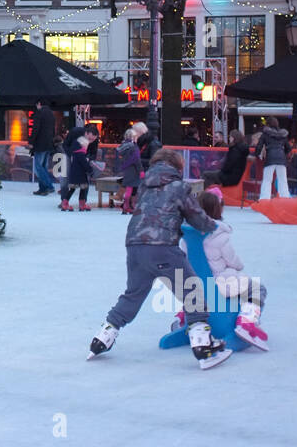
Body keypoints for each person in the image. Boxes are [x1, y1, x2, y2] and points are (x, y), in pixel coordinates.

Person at [87, 149, 231, 369]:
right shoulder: (179, 187)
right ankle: (203, 345)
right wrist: (214, 226)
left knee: (133, 294)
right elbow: (196, 217)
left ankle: (103, 336)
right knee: (193, 291)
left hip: (134, 245)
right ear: (177, 167)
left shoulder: (145, 186)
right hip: (162, 247)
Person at [191, 189, 268, 350]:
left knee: (189, 292)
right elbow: (234, 262)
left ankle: (182, 319)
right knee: (257, 288)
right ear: (218, 210)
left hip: (195, 284)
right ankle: (247, 322)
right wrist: (238, 266)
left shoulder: (187, 234)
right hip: (219, 283)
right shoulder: (220, 235)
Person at [58, 124, 99, 212]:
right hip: (70, 155)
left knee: (85, 181)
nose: (91, 141)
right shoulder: (75, 132)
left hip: (82, 157)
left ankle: (83, 202)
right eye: (89, 139)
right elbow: (65, 145)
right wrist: (72, 155)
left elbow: (93, 153)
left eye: (93, 140)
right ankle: (64, 201)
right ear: (86, 133)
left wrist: (88, 158)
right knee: (66, 179)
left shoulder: (94, 140)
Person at [255, 117, 291, 199]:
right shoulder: (283, 135)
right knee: (283, 180)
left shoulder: (265, 134)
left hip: (270, 158)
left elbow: (259, 147)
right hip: (281, 159)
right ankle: (285, 199)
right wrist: (283, 155)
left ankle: (264, 199)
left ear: (267, 124)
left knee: (267, 180)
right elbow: (288, 148)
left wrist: (257, 156)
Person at [29, 98, 57, 196]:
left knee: (38, 167)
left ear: (39, 104)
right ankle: (43, 189)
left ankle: (49, 186)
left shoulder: (39, 113)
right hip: (48, 144)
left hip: (40, 144)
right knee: (43, 166)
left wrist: (31, 141)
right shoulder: (52, 114)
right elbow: (53, 131)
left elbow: (35, 129)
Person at [117, 124, 143, 215]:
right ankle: (132, 206)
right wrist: (141, 171)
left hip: (126, 170)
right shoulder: (134, 147)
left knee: (128, 189)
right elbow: (137, 160)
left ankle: (125, 207)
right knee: (134, 189)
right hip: (134, 170)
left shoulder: (123, 146)